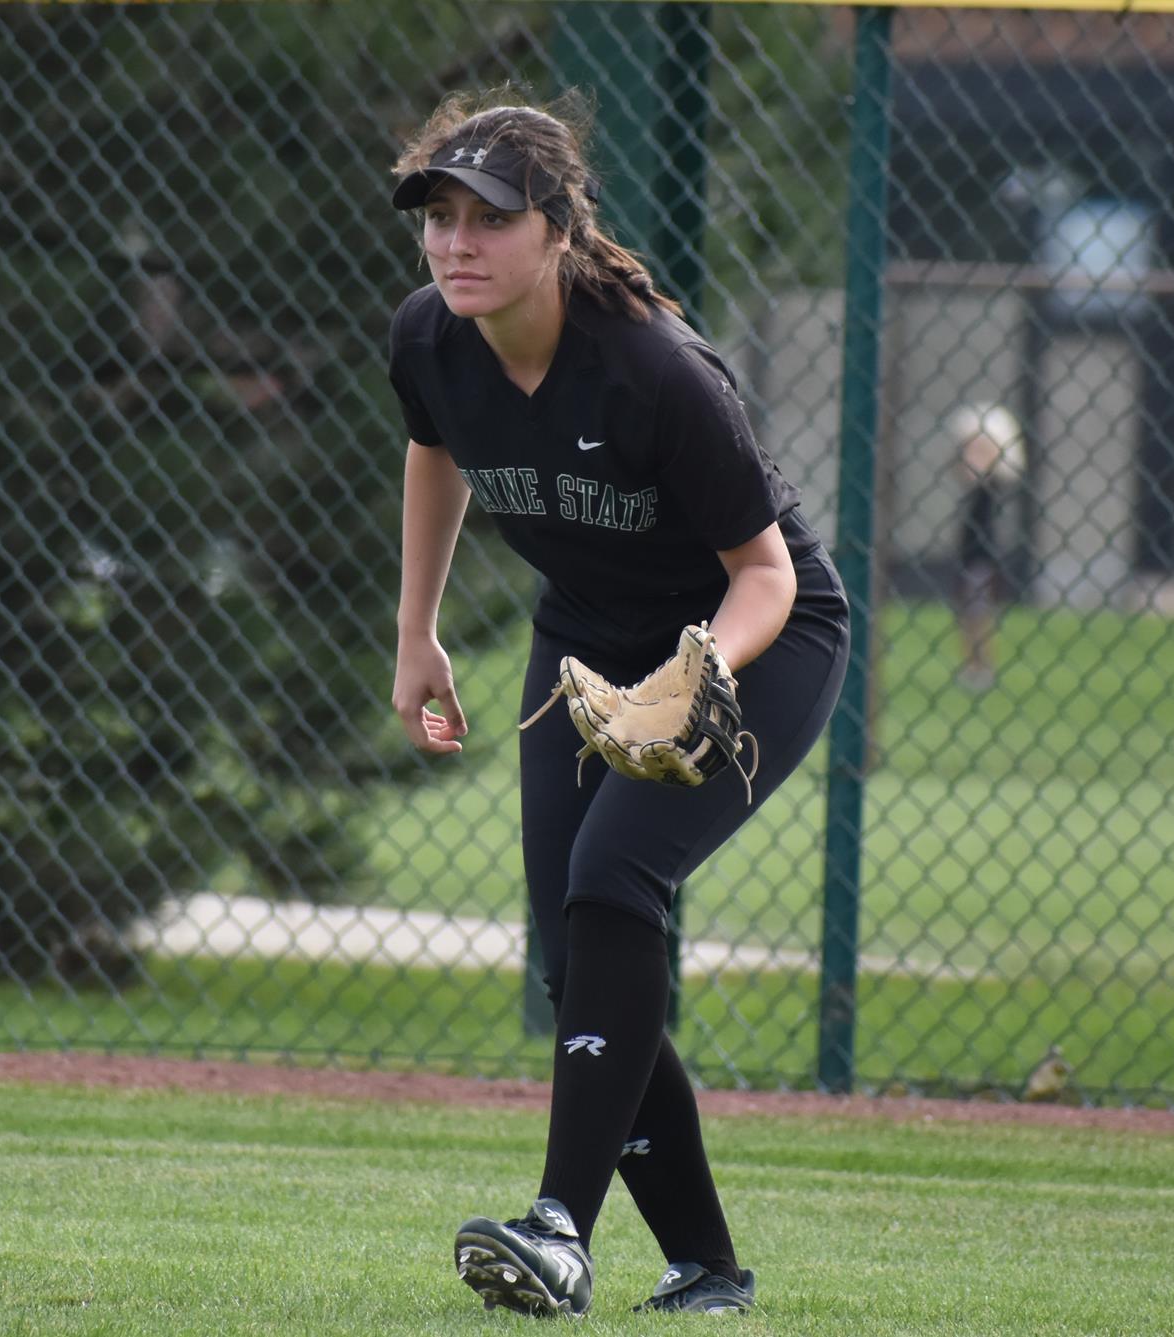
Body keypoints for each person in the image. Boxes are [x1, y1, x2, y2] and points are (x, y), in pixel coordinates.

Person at [385, 90, 851, 1318]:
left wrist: (697, 673)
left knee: (612, 885)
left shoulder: (655, 369)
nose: (454, 244)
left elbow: (769, 572)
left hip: (765, 638)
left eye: (487, 217)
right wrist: (416, 633)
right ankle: (706, 1266)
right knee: (578, 951)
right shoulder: (429, 338)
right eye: (436, 216)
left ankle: (558, 1229)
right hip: (584, 637)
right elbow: (433, 452)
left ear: (557, 230)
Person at [946, 403, 1023, 693]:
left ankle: (980, 666)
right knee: (969, 614)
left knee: (978, 614)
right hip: (970, 554)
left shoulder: (994, 482)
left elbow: (974, 472)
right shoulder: (980, 484)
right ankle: (973, 664)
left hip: (982, 556)